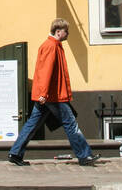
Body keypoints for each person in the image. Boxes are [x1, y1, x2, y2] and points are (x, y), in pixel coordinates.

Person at [8, 18, 97, 166]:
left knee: (33, 123)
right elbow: (46, 71)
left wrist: (42, 93)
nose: (68, 34)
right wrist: (43, 93)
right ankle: (84, 155)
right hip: (53, 95)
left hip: (48, 95)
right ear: (58, 31)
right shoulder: (52, 46)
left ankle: (15, 153)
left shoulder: (52, 45)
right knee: (70, 123)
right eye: (66, 31)